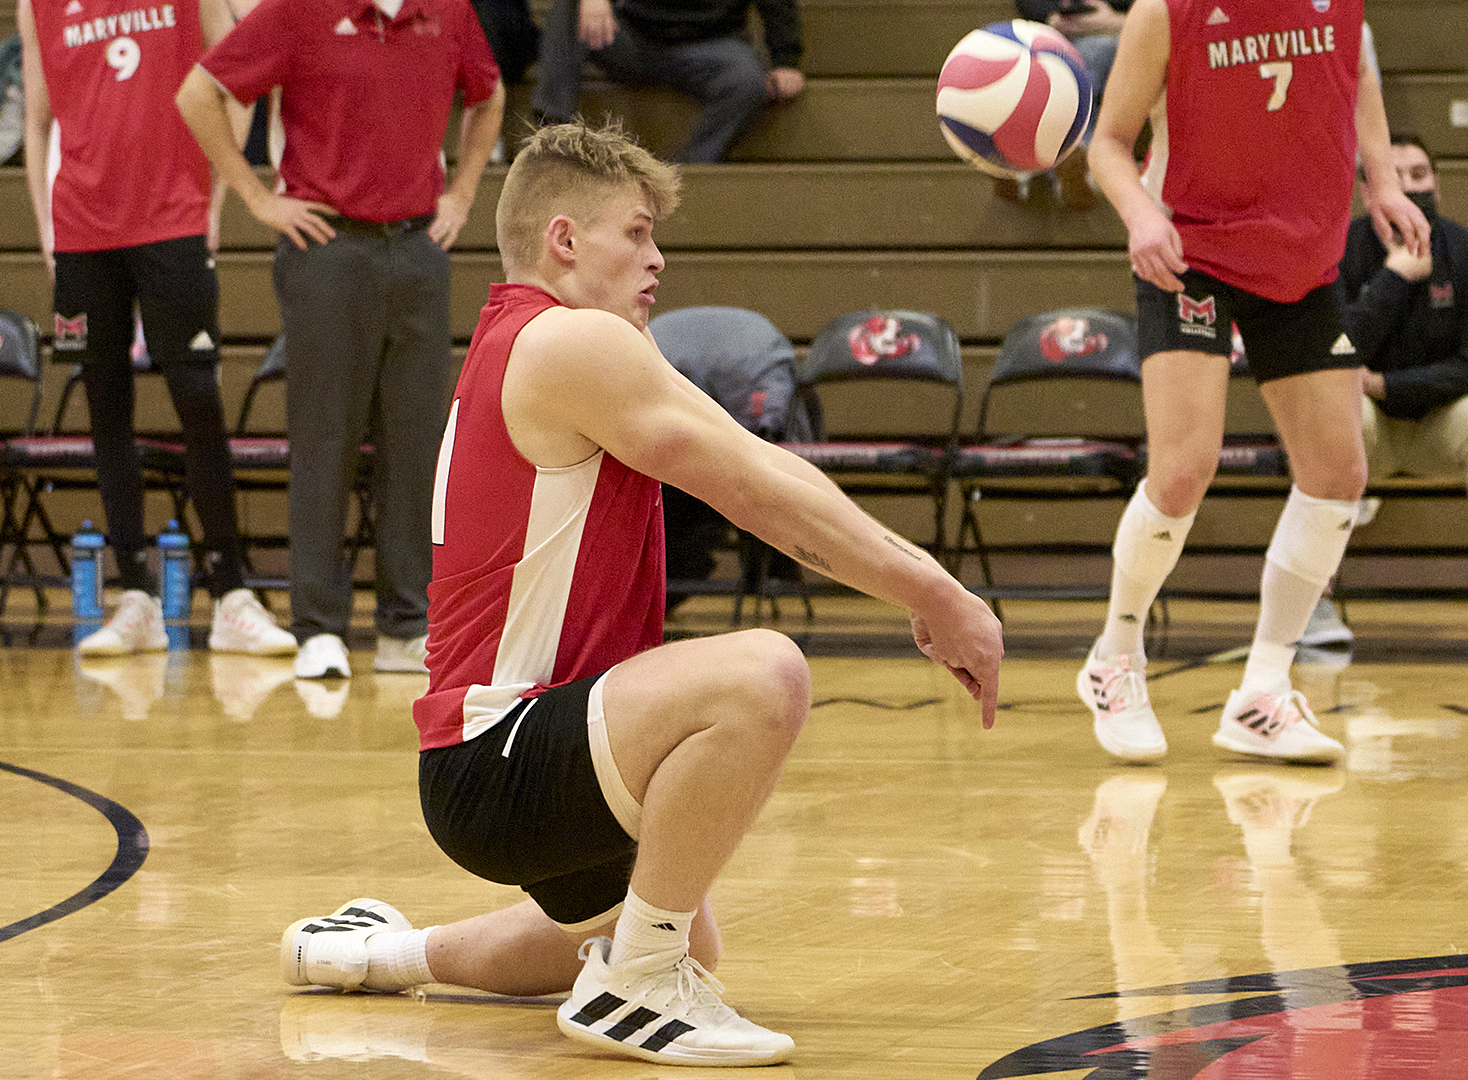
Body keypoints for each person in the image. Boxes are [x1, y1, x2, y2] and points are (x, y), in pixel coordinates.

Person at [273, 122, 1003, 1066]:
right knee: (762, 675)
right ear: (565, 239)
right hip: (502, 756)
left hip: (504, 759)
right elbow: (752, 498)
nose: (658, 259)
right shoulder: (569, 343)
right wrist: (938, 595)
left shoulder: (550, 341)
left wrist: (929, 588)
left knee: (681, 926)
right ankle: (641, 992)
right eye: (638, 232)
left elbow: (765, 466)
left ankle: (377, 952)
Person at [1074, 0, 1429, 764]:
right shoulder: (1166, 12)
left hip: (1300, 261)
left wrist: (1383, 181)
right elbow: (1107, 142)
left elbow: (1355, 69)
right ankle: (1115, 660)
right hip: (1188, 250)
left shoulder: (1341, 8)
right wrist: (1139, 214)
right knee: (1182, 469)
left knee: (1338, 474)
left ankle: (1262, 691)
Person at [176, 0, 506, 680]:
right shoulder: (296, 10)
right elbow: (197, 93)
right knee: (324, 439)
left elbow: (490, 95)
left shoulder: (448, 12)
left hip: (418, 248)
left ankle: (406, 625)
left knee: (416, 444)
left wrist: (465, 192)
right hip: (326, 248)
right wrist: (255, 195)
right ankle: (318, 627)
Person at [17, 0, 297, 658]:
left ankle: (231, 593)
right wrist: (45, 230)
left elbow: (242, 85)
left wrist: (220, 194)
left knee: (199, 402)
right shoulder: (39, 7)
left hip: (174, 219)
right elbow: (35, 120)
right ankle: (136, 595)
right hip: (82, 231)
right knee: (104, 409)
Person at [1314, 132, 1468, 649]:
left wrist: (1383, 384)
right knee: (1336, 411)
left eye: (1419, 175)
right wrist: (1394, 279)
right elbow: (1334, 351)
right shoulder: (1334, 253)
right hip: (1369, 431)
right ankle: (1315, 597)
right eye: (1393, 178)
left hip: (1442, 426)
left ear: (1437, 184)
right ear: (1366, 191)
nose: (1409, 188)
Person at [531, 0, 803, 164]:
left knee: (749, 81)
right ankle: (553, 134)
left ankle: (692, 172)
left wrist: (786, 61)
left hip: (710, 49)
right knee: (568, 7)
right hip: (631, 38)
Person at [1003, 0, 1129, 210]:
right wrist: (1051, 18)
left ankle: (1027, 166)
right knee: (1032, 60)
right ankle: (1072, 166)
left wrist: (1116, 21)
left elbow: (1161, 12)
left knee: (1093, 51)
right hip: (1054, 35)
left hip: (1119, 33)